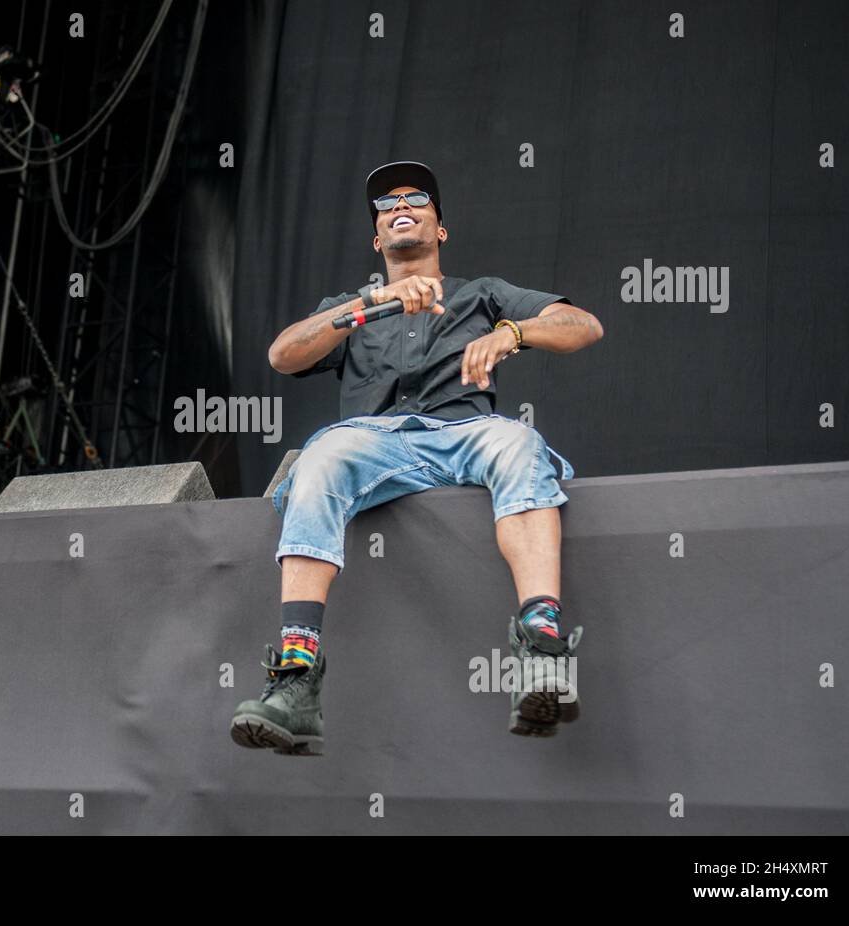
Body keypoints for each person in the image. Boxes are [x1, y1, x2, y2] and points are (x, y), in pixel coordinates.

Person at [230, 161, 605, 754]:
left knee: (520, 442)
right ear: (377, 238)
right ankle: (297, 681)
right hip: (371, 440)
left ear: (440, 229)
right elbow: (283, 355)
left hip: (466, 430)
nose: (401, 203)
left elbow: (582, 325)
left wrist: (512, 333)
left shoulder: (481, 292)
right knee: (321, 455)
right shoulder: (352, 305)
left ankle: (542, 650)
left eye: (417, 197)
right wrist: (373, 305)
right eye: (386, 203)